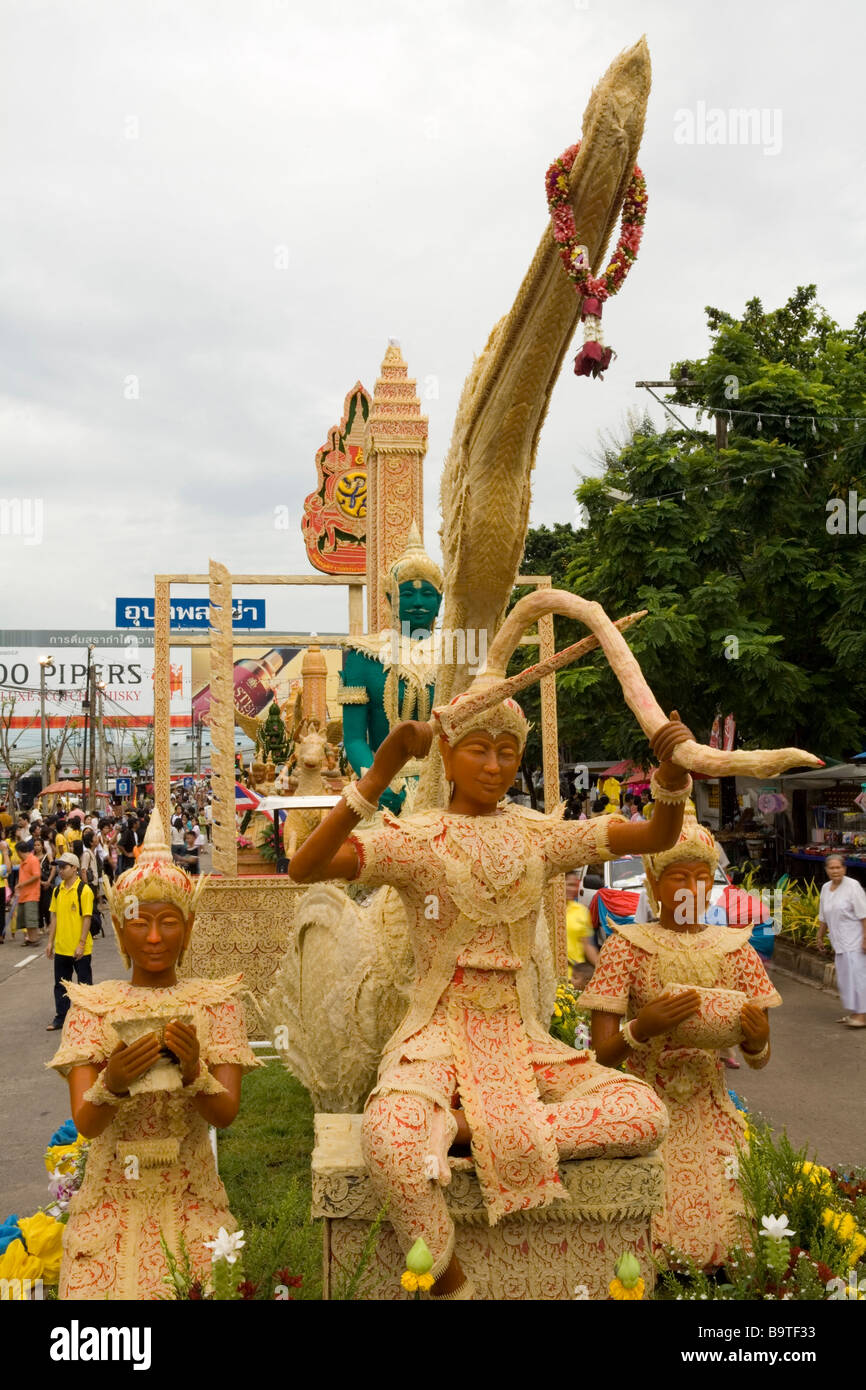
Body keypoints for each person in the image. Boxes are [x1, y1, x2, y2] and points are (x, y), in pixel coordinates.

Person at [290, 690, 696, 1299]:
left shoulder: (540, 836)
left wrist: (670, 774)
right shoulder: (418, 837)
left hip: (521, 1039)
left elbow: (658, 833)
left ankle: (461, 1128)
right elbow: (306, 867)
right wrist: (381, 770)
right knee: (391, 1137)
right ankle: (452, 1286)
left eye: (508, 753)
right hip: (436, 1035)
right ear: (447, 756)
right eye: (478, 750)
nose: (493, 766)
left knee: (642, 1113)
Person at [48, 810, 260, 1299]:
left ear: (188, 928)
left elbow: (224, 1114)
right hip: (111, 1197)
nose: (154, 937)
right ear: (119, 934)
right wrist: (113, 1081)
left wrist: (193, 1072)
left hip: (190, 1196)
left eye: (168, 923)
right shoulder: (92, 1008)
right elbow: (86, 1121)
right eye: (139, 924)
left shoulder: (215, 1004)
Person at [582, 811, 780, 1269]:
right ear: (652, 883)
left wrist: (757, 1041)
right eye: (677, 877)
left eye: (701, 877)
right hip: (645, 1113)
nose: (692, 889)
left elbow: (760, 1059)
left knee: (728, 1244)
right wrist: (641, 1028)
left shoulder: (735, 947)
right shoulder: (626, 946)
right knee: (646, 1247)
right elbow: (597, 1060)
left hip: (712, 1114)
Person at [45, 854, 95, 1032]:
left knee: (84, 985)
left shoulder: (84, 890)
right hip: (62, 947)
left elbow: (87, 918)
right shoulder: (57, 890)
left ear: (74, 868)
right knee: (60, 984)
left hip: (80, 948)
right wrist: (50, 942)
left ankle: (87, 1017)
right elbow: (55, 917)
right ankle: (62, 1016)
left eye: (64, 866)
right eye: (59, 866)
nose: (60, 870)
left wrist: (81, 943)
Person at [816, 853, 866, 1028]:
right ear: (826, 870)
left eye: (838, 867)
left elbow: (863, 915)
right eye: (832, 868)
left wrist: (865, 938)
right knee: (846, 978)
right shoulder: (825, 888)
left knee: (858, 977)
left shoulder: (853, 886)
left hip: (856, 940)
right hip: (839, 942)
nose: (835, 871)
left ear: (844, 868)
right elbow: (824, 916)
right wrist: (820, 936)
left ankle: (862, 1015)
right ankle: (856, 1012)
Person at [15, 837, 42, 946]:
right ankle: (30, 938)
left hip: (31, 894)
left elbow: (36, 875)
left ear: (19, 851)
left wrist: (22, 884)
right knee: (26, 919)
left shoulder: (32, 860)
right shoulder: (23, 862)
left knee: (31, 918)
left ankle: (34, 939)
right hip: (23, 894)